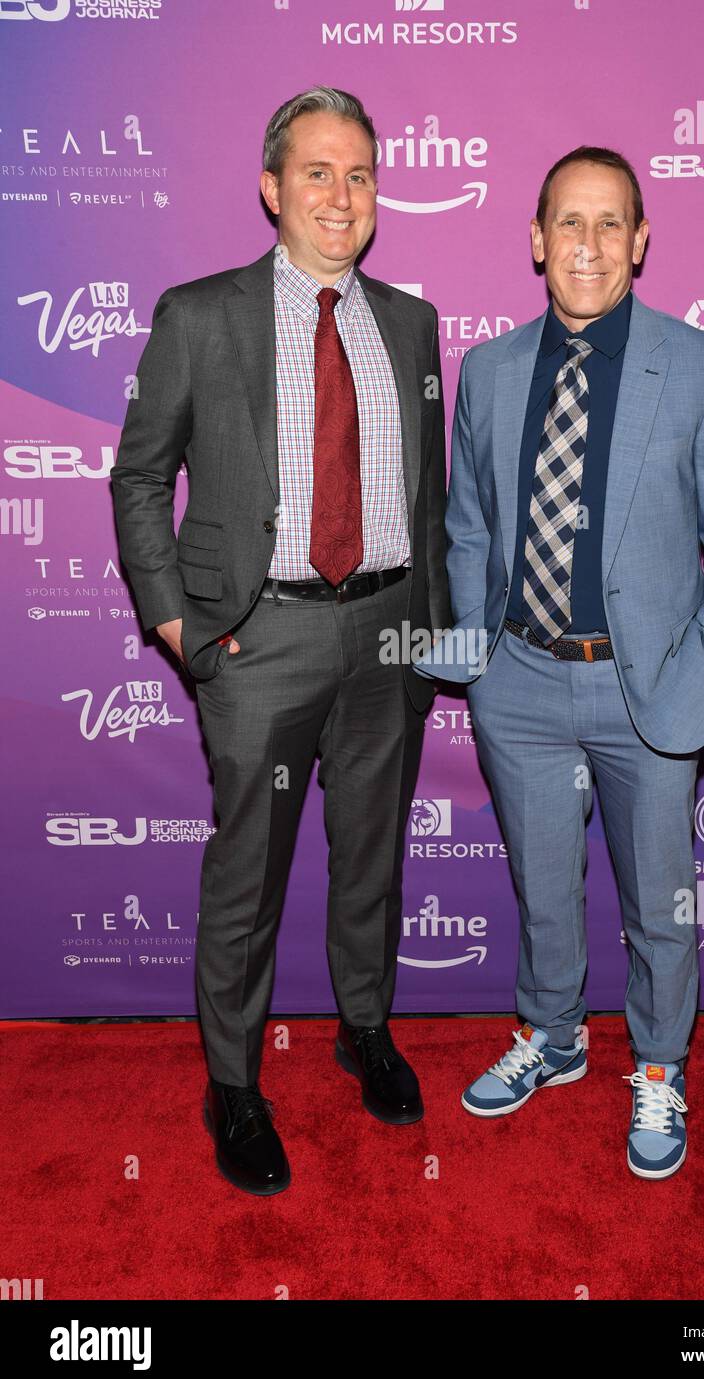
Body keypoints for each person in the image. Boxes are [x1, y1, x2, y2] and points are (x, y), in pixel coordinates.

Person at [111, 87, 451, 1196]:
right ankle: (233, 1084)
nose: (340, 195)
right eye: (317, 172)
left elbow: (430, 495)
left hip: (387, 632)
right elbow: (139, 476)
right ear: (271, 188)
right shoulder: (200, 316)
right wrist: (180, 623)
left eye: (359, 174)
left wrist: (429, 634)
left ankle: (364, 1028)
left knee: (373, 860)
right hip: (261, 640)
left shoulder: (410, 324)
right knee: (247, 877)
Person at [414, 146, 704, 1179]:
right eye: (568, 221)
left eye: (610, 222)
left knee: (659, 904)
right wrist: (476, 655)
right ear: (535, 240)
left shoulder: (699, 364)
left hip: (648, 687)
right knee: (542, 890)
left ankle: (658, 1065)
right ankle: (553, 1035)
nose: (588, 244)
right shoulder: (488, 370)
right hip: (518, 682)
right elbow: (468, 524)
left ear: (640, 241)